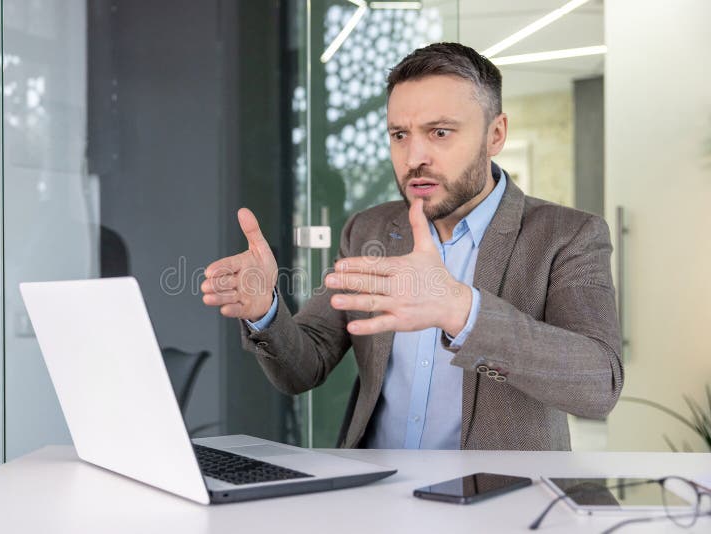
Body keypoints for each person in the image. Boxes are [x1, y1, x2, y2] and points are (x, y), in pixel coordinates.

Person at [201, 42, 623, 451]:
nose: (414, 156)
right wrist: (265, 312)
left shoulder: (567, 235)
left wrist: (460, 310)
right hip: (375, 496)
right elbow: (304, 366)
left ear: (495, 135)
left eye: (440, 132)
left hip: (498, 505)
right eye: (399, 135)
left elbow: (598, 384)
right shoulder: (369, 229)